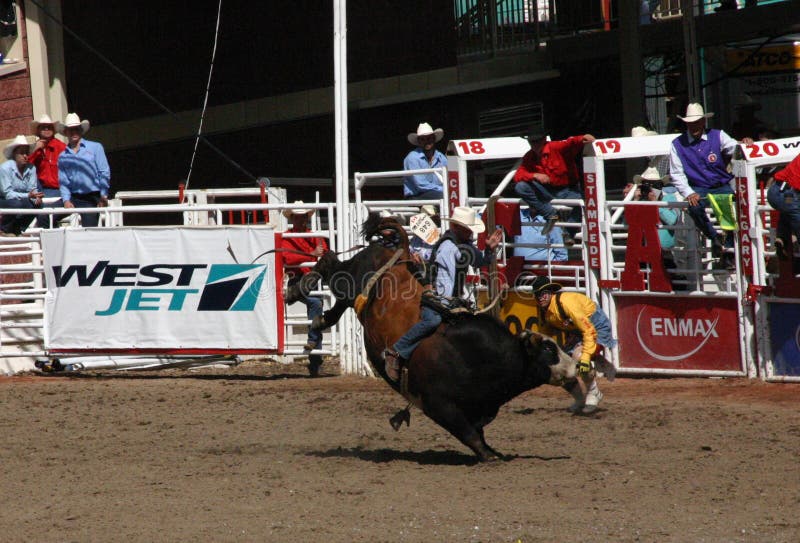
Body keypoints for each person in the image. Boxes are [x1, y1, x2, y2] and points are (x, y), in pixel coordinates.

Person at [382, 206, 502, 381]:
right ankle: (396, 351)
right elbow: (447, 280)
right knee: (433, 320)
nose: (470, 233)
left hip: (449, 298)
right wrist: (449, 302)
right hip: (439, 297)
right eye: (468, 229)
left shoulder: (464, 245)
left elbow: (480, 261)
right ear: (457, 228)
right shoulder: (448, 247)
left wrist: (490, 249)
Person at [668, 103, 747, 270]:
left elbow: (735, 148)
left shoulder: (717, 136)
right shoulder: (677, 144)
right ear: (686, 124)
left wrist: (744, 144)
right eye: (691, 123)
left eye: (697, 122)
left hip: (720, 183)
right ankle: (716, 239)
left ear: (703, 122)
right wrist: (689, 193)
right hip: (699, 187)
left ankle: (726, 248)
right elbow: (677, 174)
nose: (694, 126)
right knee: (694, 207)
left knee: (730, 209)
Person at [530, 276, 617, 415]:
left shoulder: (566, 304)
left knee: (580, 357)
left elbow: (589, 330)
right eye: (537, 295)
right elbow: (546, 330)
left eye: (543, 293)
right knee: (559, 368)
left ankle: (593, 392)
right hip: (576, 332)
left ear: (551, 292)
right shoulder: (543, 310)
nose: (540, 298)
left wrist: (586, 356)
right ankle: (579, 398)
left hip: (595, 326)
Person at [513, 128, 596, 247]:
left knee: (585, 202)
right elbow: (518, 175)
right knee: (520, 187)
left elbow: (570, 143)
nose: (534, 145)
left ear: (543, 140)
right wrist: (535, 175)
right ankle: (550, 214)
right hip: (546, 190)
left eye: (536, 141)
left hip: (568, 190)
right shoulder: (529, 157)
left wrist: (583, 138)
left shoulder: (556, 147)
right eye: (532, 142)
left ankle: (568, 232)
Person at [281, 201, 329, 377]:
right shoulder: (287, 237)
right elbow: (286, 257)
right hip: (296, 281)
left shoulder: (315, 236)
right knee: (316, 305)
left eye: (304, 217)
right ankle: (313, 345)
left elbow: (326, 255)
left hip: (313, 280)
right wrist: (312, 254)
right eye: (298, 216)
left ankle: (314, 358)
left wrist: (320, 254)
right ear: (293, 218)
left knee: (316, 310)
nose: (302, 220)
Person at [625, 167, 686, 289]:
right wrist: (635, 200)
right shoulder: (640, 201)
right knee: (642, 278)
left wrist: (655, 203)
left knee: (670, 277)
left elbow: (672, 220)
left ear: (661, 186)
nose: (650, 187)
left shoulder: (669, 199)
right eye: (646, 184)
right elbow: (628, 222)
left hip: (663, 249)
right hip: (642, 248)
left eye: (654, 184)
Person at [56, 113, 110, 227]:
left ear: (81, 130)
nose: (74, 132)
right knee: (44, 215)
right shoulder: (62, 156)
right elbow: (63, 181)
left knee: (89, 228)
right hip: (73, 196)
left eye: (76, 129)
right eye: (70, 129)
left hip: (91, 196)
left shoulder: (96, 147)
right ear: (66, 132)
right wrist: (66, 200)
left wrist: (103, 195)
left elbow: (104, 172)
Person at [28, 114, 66, 227]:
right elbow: (25, 169)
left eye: (49, 127)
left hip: (58, 188)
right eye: (43, 127)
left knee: (43, 211)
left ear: (53, 130)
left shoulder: (61, 147)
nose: (46, 129)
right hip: (40, 188)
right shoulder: (33, 148)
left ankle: (48, 236)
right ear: (38, 130)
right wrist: (35, 149)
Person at [0, 135, 43, 236]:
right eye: (21, 153)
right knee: (16, 204)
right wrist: (28, 196)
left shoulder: (31, 168)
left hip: (19, 198)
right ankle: (4, 229)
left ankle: (18, 228)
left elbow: (32, 188)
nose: (25, 156)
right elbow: (7, 194)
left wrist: (36, 197)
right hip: (3, 199)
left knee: (38, 205)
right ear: (14, 154)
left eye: (26, 153)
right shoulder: (5, 168)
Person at [767, 152, 800, 261]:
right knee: (794, 214)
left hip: (779, 191)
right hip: (789, 192)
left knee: (786, 212)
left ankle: (781, 238)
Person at [403, 122, 446, 200]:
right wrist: (445, 190)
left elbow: (449, 177)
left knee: (451, 196)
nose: (426, 141)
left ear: (434, 139)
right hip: (416, 197)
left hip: (437, 194)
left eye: (429, 138)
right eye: (423, 139)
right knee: (445, 196)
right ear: (419, 142)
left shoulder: (441, 157)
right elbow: (421, 185)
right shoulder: (412, 157)